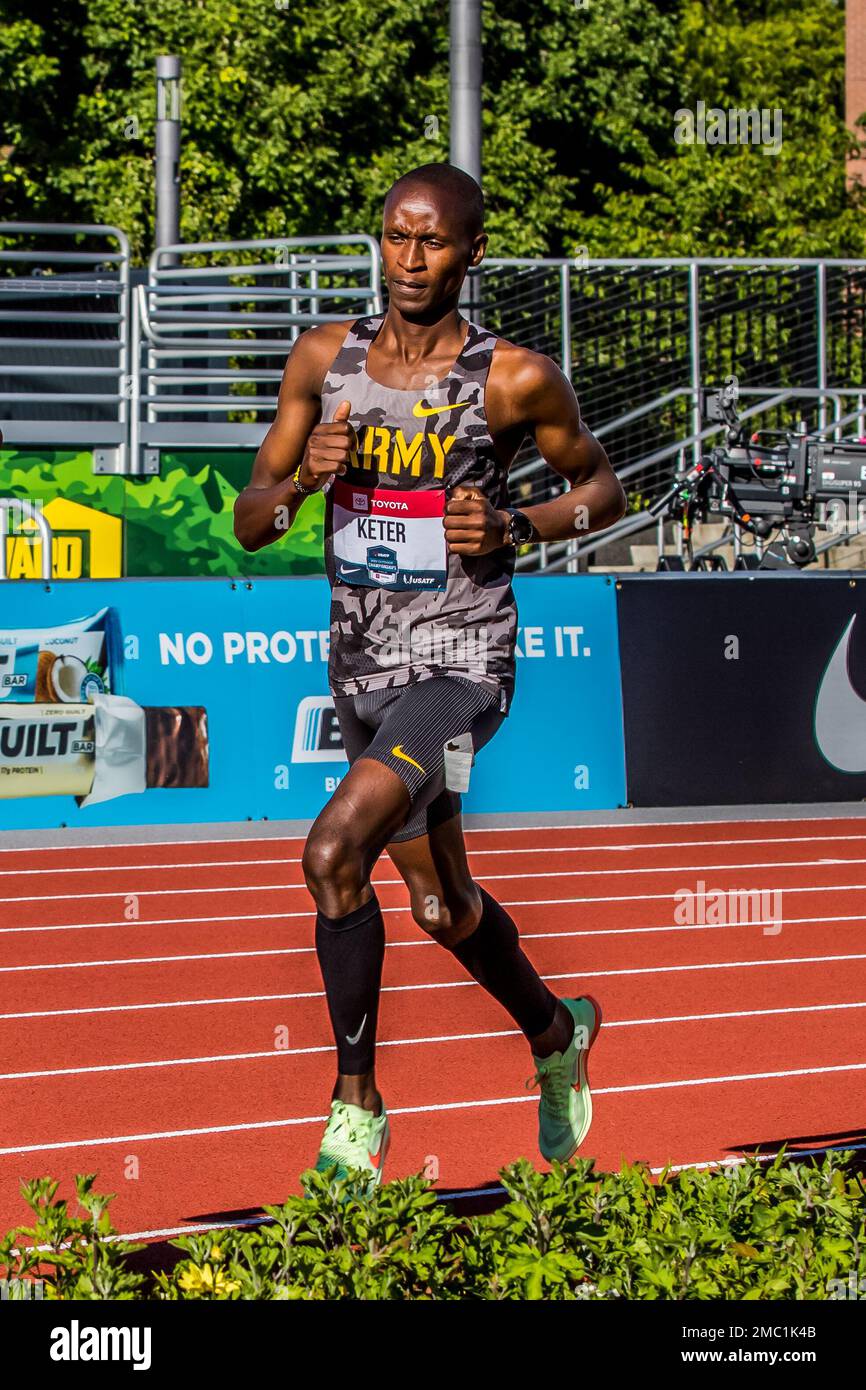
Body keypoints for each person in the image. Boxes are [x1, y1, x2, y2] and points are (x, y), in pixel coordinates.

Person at [234, 163, 626, 1188]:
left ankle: (354, 1106)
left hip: (460, 663)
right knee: (441, 909)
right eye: (395, 238)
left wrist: (521, 524)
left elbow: (601, 490)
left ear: (471, 252)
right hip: (361, 663)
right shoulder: (325, 357)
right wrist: (302, 483)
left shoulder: (512, 379)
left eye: (433, 242)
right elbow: (252, 516)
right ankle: (554, 1032)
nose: (410, 259)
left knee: (331, 851)